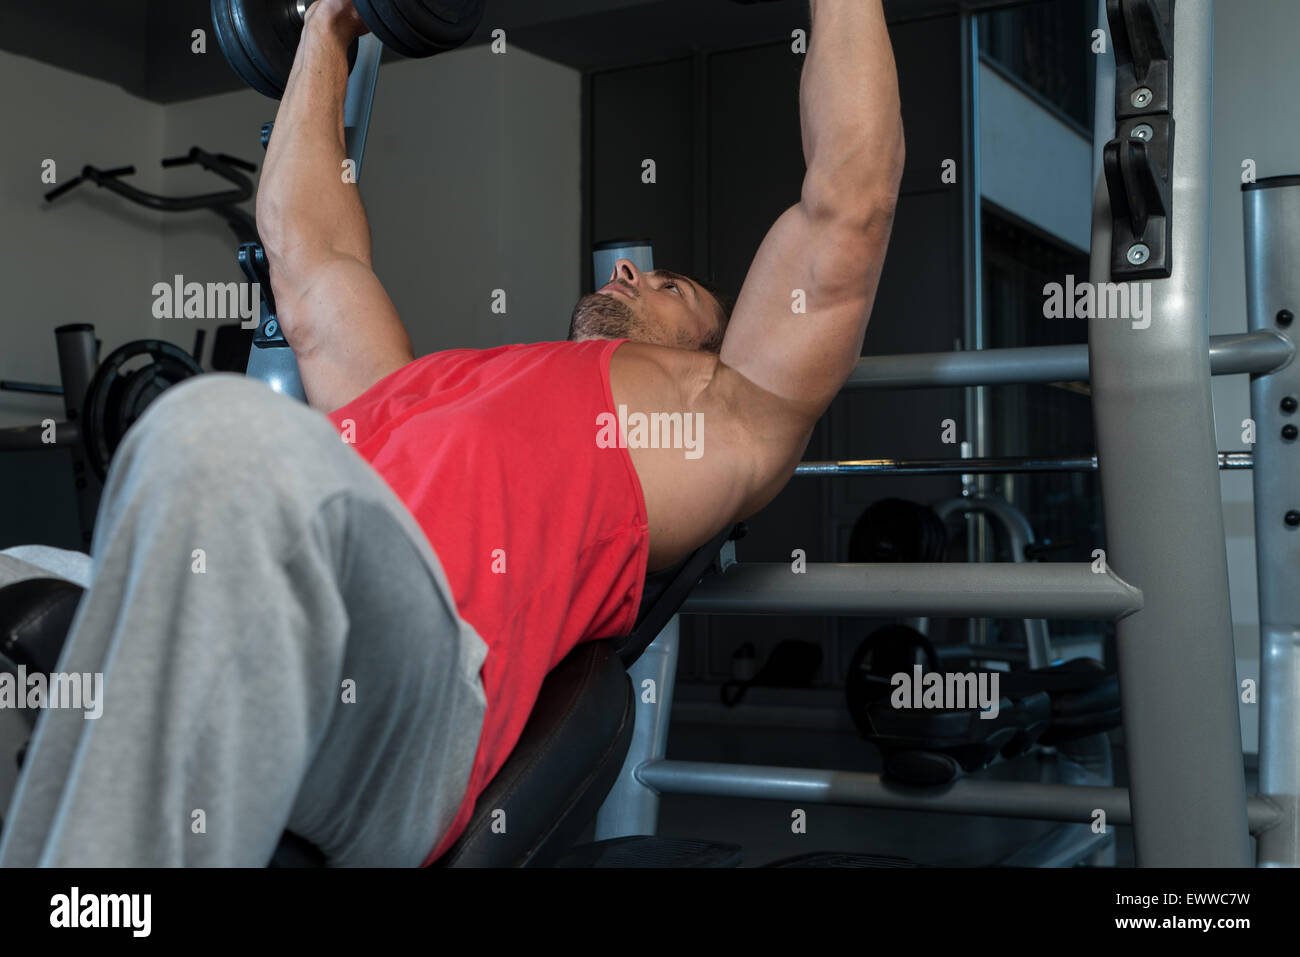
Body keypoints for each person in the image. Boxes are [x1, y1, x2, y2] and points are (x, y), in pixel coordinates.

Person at [0, 0, 902, 866]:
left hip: (417, 703)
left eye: (670, 287)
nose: (632, 269)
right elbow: (308, 252)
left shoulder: (709, 412)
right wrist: (329, 22)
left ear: (712, 349)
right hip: (288, 624)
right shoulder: (419, 384)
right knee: (20, 571)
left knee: (211, 428)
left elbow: (849, 205)